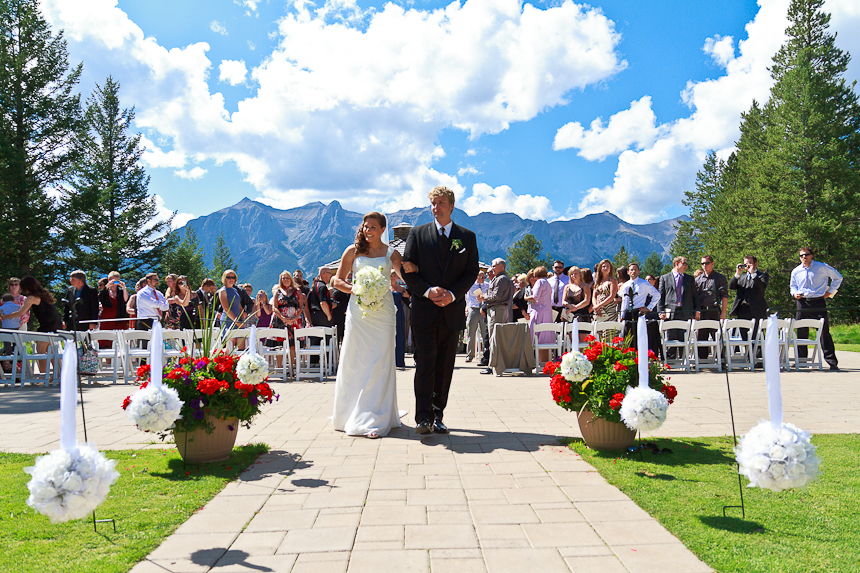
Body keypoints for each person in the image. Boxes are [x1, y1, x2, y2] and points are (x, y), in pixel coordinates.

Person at [402, 187, 479, 433]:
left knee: (445, 366)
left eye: (441, 203)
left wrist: (453, 295)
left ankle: (438, 414)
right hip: (424, 311)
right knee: (425, 362)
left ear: (452, 206)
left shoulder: (466, 237)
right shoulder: (417, 234)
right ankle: (423, 417)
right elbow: (407, 270)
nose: (436, 207)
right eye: (433, 203)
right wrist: (428, 291)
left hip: (451, 311)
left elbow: (471, 272)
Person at [333, 211, 405, 438]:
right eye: (366, 226)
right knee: (356, 360)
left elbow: (405, 276)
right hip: (358, 311)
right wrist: (354, 288)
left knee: (381, 361)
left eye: (373, 227)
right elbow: (337, 280)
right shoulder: (353, 251)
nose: (368, 230)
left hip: (383, 313)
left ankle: (376, 416)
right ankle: (349, 413)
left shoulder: (391, 253)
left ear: (383, 229)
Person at [790, 247, 843, 370]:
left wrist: (830, 292)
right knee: (801, 331)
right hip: (802, 303)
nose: (804, 257)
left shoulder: (821, 267)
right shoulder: (796, 271)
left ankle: (831, 361)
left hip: (818, 302)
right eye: (801, 256)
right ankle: (802, 361)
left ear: (812, 255)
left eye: (806, 255)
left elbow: (838, 277)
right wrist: (794, 293)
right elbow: (793, 286)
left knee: (824, 332)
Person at [0, 276, 62, 376]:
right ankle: (59, 374)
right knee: (50, 351)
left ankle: (44, 376)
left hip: (47, 326)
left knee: (41, 351)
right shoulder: (44, 294)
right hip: (55, 324)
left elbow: (20, 313)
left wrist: (5, 316)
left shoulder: (31, 298)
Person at [477, 258, 514, 374]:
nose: (492, 268)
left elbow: (497, 296)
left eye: (494, 266)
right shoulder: (498, 278)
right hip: (495, 309)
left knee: (495, 338)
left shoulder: (502, 279)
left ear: (501, 266)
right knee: (495, 337)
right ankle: (495, 364)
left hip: (497, 309)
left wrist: (484, 297)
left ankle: (493, 365)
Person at [659, 256, 700, 355]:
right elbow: (661, 296)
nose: (686, 266)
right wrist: (661, 311)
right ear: (677, 264)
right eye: (684, 263)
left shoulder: (689, 279)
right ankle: (671, 361)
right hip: (671, 312)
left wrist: (697, 310)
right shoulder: (665, 278)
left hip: (685, 311)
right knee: (671, 337)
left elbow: (695, 295)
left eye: (686, 264)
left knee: (684, 337)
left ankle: (684, 360)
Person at [619, 263, 660, 353]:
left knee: (639, 337)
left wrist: (649, 307)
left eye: (635, 269)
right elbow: (625, 300)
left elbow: (657, 295)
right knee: (628, 339)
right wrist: (622, 314)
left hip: (638, 312)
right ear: (628, 272)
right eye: (631, 270)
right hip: (628, 313)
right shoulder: (626, 285)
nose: (633, 271)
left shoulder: (643, 283)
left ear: (638, 271)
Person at [729, 255, 769, 344]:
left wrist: (753, 275)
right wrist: (737, 274)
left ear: (755, 264)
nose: (747, 266)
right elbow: (731, 286)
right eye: (745, 264)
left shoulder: (762, 275)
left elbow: (761, 287)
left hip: (756, 310)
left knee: (757, 335)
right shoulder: (742, 277)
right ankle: (748, 356)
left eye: (749, 263)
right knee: (744, 336)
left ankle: (759, 355)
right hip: (742, 309)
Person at [271, 270, 307, 370]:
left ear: (290, 279)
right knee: (280, 345)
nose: (285, 280)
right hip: (280, 320)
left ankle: (291, 368)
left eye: (287, 278)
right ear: (281, 280)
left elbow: (301, 306)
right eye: (283, 278)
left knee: (292, 345)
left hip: (294, 320)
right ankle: (279, 368)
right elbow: (275, 307)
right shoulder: (277, 291)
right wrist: (282, 318)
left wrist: (295, 318)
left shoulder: (297, 291)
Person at [695, 255, 728, 360]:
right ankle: (702, 361)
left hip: (714, 310)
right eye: (702, 263)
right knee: (701, 338)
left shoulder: (719, 277)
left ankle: (721, 361)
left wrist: (723, 312)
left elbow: (724, 296)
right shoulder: (698, 279)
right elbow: (695, 297)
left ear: (712, 264)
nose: (704, 265)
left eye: (707, 263)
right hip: (702, 311)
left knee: (718, 337)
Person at [525, 266, 553, 363]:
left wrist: (526, 297)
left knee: (535, 338)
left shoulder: (539, 282)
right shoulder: (548, 283)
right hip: (547, 312)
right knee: (544, 339)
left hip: (538, 312)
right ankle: (544, 362)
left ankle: (535, 362)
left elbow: (535, 298)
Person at [591, 259, 618, 342]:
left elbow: (611, 296)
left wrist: (599, 306)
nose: (605, 268)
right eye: (603, 266)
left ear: (610, 269)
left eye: (607, 266)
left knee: (609, 334)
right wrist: (596, 307)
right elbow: (594, 296)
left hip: (609, 310)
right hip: (598, 311)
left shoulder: (613, 281)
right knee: (597, 334)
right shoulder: (598, 282)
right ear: (600, 268)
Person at [464, 270, 488, 363]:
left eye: (484, 277)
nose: (482, 279)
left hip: (483, 309)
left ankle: (485, 355)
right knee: (471, 332)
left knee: (484, 332)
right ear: (477, 277)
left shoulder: (487, 285)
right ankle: (470, 355)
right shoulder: (471, 285)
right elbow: (466, 296)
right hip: (473, 308)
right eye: (481, 277)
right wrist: (467, 306)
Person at [98, 271, 130, 336]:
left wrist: (124, 288)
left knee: (120, 338)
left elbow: (125, 299)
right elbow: (99, 297)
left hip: (119, 317)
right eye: (112, 280)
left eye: (116, 281)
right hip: (106, 318)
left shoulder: (120, 291)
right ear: (108, 280)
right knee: (106, 338)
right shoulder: (105, 291)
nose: (114, 283)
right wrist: (107, 286)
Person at [390, 271, 408, 368]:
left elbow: (407, 300)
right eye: (391, 276)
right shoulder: (386, 288)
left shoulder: (401, 288)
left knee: (399, 335)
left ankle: (399, 360)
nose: (392, 278)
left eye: (394, 276)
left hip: (399, 313)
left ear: (397, 277)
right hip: (389, 312)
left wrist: (408, 297)